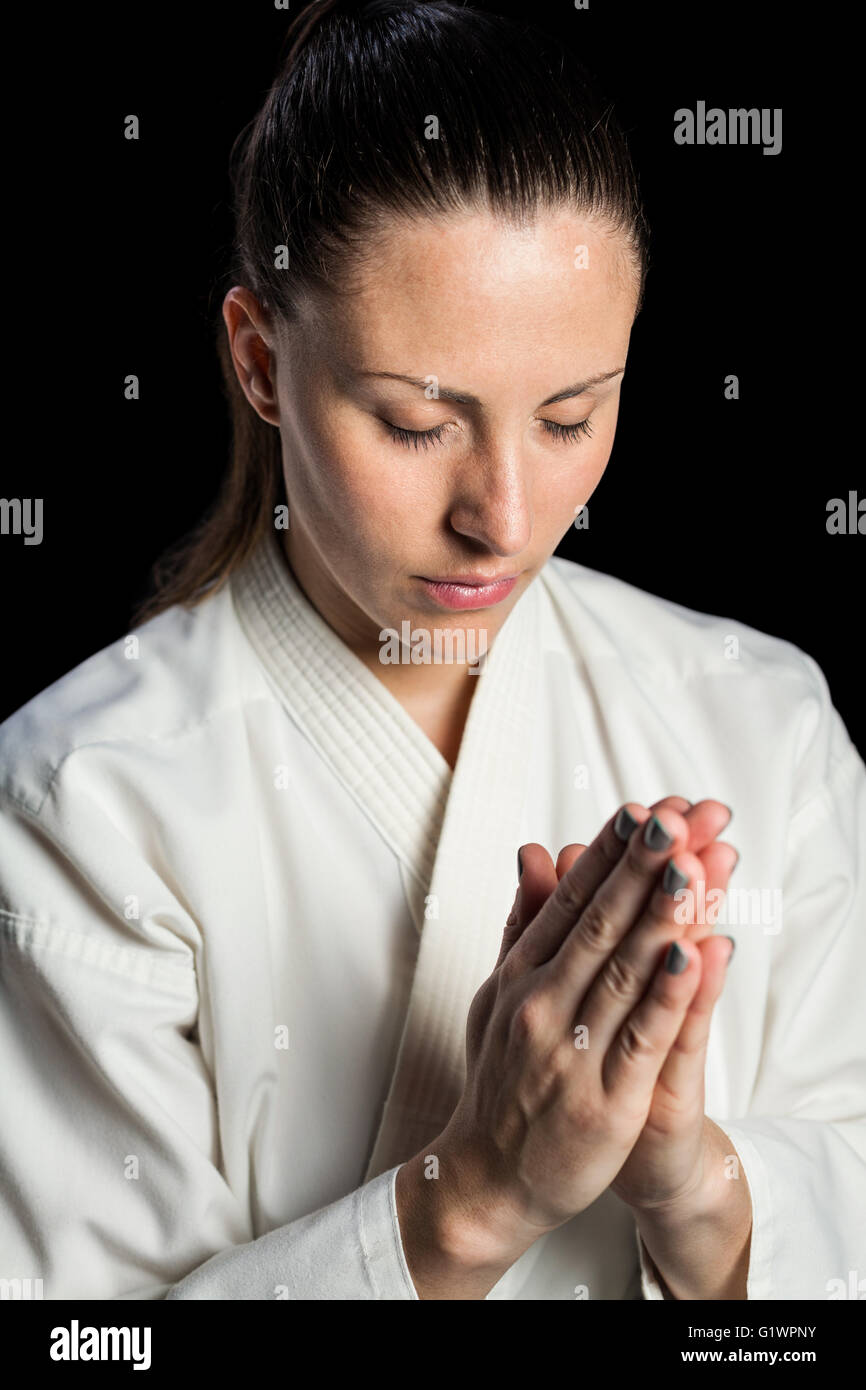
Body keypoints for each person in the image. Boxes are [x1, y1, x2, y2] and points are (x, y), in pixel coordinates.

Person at [1, 0, 863, 1302]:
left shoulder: (760, 717)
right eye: (415, 422)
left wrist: (690, 1179)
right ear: (258, 360)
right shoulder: (83, 796)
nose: (502, 518)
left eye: (570, 415)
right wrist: (473, 1193)